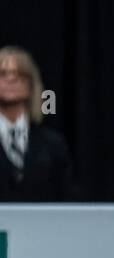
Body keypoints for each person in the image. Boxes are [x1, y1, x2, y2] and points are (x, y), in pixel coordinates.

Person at [0, 46, 80, 201]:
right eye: (3, 74)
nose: (11, 79)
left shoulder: (53, 144)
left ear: (32, 86)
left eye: (20, 75)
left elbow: (69, 200)